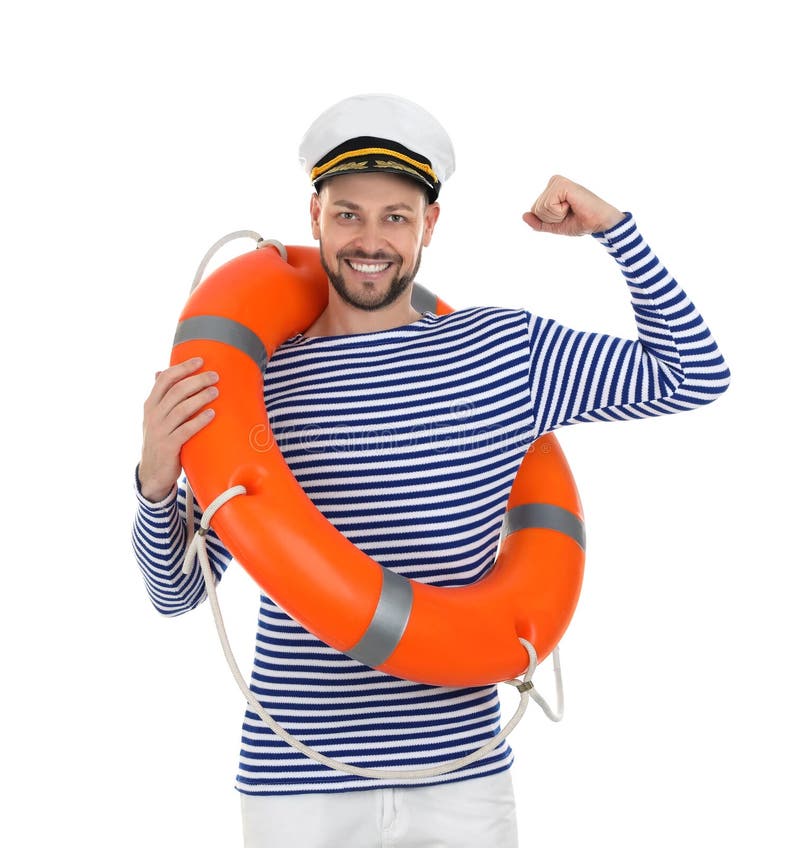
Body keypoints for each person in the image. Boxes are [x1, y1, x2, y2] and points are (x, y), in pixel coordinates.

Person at [132, 94, 730, 847]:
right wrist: (156, 482)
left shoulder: (505, 353)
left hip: (463, 781)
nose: (370, 240)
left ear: (429, 226)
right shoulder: (258, 386)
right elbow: (178, 593)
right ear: (314, 217)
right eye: (348, 214)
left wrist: (615, 232)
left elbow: (693, 372)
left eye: (396, 216)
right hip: (297, 788)